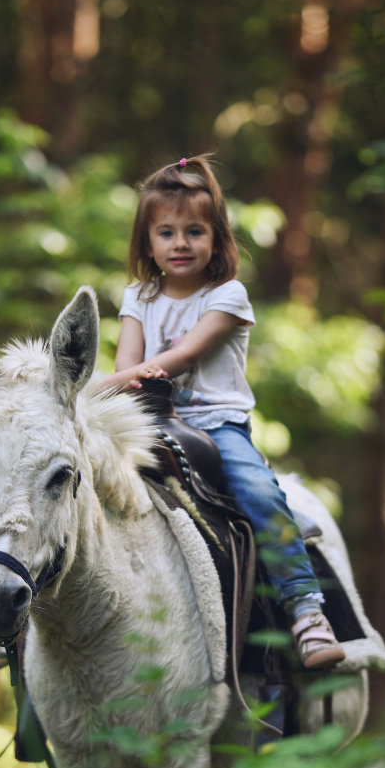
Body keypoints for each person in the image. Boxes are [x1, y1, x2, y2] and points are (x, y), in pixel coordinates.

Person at [100, 155, 345, 670]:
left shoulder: (227, 296)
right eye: (166, 233)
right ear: (148, 243)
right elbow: (129, 363)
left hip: (215, 425)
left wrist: (93, 387)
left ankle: (306, 609)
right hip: (148, 421)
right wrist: (115, 384)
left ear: (217, 239)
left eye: (194, 231)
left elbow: (182, 356)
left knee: (255, 488)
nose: (181, 243)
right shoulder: (139, 295)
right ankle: (16, 627)